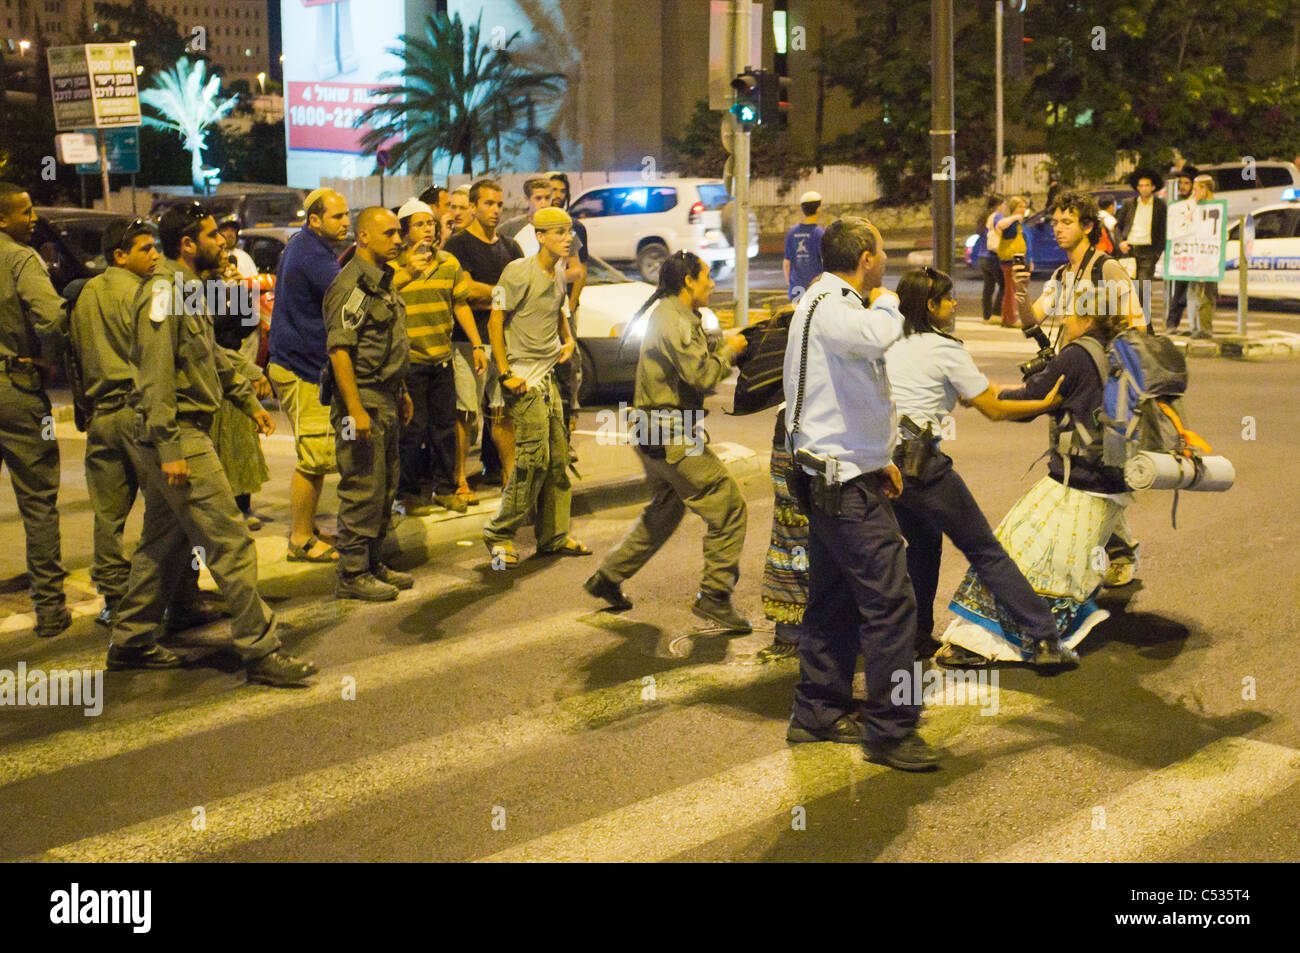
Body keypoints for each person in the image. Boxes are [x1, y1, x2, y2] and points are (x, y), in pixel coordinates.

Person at [105, 202, 316, 686]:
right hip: (178, 432)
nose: (223, 243)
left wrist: (249, 401)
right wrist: (171, 448)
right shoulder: (164, 293)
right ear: (187, 245)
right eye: (212, 236)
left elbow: (208, 357)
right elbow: (156, 376)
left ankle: (131, 640)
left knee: (162, 543)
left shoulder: (187, 291)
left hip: (182, 428)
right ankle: (261, 650)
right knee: (231, 541)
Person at [938, 190, 1142, 665]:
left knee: (1073, 490)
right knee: (1083, 472)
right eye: (1057, 222)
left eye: (1068, 221)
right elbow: (1035, 320)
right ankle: (1115, 546)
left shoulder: (1106, 272)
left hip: (1090, 393)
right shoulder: (1064, 276)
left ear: (1088, 226)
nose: (1059, 228)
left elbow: (1134, 327)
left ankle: (1108, 560)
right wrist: (1024, 294)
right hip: (1080, 402)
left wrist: (987, 398)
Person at [780, 216, 939, 772]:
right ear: (867, 257)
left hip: (840, 473)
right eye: (881, 251)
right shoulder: (838, 306)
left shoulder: (826, 303)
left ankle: (817, 711)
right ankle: (892, 729)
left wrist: (882, 460)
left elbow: (850, 394)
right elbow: (878, 338)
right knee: (892, 602)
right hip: (839, 482)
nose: (885, 263)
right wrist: (891, 303)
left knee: (835, 595)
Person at [884, 267, 1074, 668]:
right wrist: (1045, 404)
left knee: (921, 546)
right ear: (931, 305)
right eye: (948, 298)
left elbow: (976, 395)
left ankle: (916, 636)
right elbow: (991, 406)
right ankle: (1044, 639)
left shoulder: (887, 340)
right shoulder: (945, 349)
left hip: (887, 466)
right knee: (985, 550)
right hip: (924, 466)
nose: (954, 304)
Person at [583, 250, 750, 629]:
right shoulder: (672, 318)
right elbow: (703, 375)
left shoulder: (676, 315)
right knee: (730, 508)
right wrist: (732, 350)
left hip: (653, 431)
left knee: (664, 511)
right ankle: (715, 596)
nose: (711, 283)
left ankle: (607, 577)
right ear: (688, 280)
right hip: (668, 433)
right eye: (706, 276)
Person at [481, 206, 590, 565]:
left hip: (548, 377)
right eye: (558, 232)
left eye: (568, 231)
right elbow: (495, 321)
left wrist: (568, 339)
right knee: (532, 460)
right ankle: (499, 534)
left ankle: (554, 535)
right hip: (523, 378)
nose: (567, 238)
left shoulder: (559, 270)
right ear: (539, 236)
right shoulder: (517, 271)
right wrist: (504, 372)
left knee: (558, 459)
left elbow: (560, 308)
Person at [69, 219, 159, 626]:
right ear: (120, 255)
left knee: (108, 517)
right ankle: (158, 597)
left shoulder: (84, 294)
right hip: (136, 413)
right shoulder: (141, 293)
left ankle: (114, 599)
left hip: (100, 416)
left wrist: (82, 409)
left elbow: (71, 356)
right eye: (145, 249)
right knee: (166, 511)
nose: (154, 255)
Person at [324, 207, 415, 601]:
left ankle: (372, 561)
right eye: (390, 234)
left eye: (399, 233)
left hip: (386, 397)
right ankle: (352, 572)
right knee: (362, 485)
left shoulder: (381, 281)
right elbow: (340, 350)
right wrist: (356, 409)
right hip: (361, 401)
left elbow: (387, 343)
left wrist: (403, 390)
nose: (399, 240)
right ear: (363, 237)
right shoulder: (354, 286)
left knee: (384, 485)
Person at [0, 182, 71, 638]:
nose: (33, 219)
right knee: (39, 499)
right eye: (25, 212)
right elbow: (53, 317)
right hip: (16, 390)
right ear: (3, 219)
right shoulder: (20, 259)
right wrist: (51, 359)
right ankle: (49, 607)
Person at [266, 187, 350, 563]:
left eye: (347, 215)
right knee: (314, 459)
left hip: (295, 361)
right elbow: (348, 295)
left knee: (315, 454)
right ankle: (300, 538)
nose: (346, 222)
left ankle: (308, 528)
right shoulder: (312, 254)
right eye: (337, 216)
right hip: (301, 366)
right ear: (314, 219)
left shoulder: (304, 246)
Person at [392, 197, 486, 515]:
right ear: (404, 232)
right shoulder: (394, 268)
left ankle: (445, 489)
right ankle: (407, 494)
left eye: (430, 223)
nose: (428, 229)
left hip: (441, 358)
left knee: (445, 427)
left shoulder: (448, 263)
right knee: (411, 430)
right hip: (409, 363)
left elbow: (460, 304)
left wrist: (475, 344)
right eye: (419, 224)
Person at [444, 179, 522, 493]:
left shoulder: (510, 246)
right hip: (468, 341)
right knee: (466, 413)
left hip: (503, 341)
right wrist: (502, 293)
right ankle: (459, 477)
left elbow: (519, 288)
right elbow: (465, 291)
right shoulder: (458, 245)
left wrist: (488, 295)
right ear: (474, 207)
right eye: (488, 204)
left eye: (499, 204)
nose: (495, 211)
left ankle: (510, 476)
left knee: (503, 412)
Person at [212, 215, 272, 531]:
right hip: (217, 377)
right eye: (218, 248)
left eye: (226, 250)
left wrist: (238, 292)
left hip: (234, 369)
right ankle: (226, 511)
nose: (225, 255)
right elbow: (213, 339)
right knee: (221, 448)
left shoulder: (228, 284)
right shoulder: (197, 288)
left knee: (242, 445)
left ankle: (243, 507)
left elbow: (247, 326)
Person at [758, 405, 808, 660]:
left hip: (791, 435)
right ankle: (793, 632)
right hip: (819, 442)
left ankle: (790, 632)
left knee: (792, 539)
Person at [1116, 168, 1168, 316]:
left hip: (1148, 251)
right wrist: (1121, 242)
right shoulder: (1129, 204)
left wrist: (1157, 252)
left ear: (1153, 187)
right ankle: (1129, 319)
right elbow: (1118, 227)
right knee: (1127, 287)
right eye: (1141, 185)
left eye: (1147, 185)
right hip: (1129, 250)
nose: (1144, 188)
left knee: (1143, 286)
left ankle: (1144, 321)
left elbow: (1163, 229)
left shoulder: (1159, 205)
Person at [1184, 174, 1219, 340]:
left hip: (1207, 259)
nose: (1193, 193)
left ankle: (1204, 329)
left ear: (1205, 189)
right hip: (1194, 257)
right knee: (1193, 293)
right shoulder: (1195, 206)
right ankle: (1194, 327)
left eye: (1196, 189)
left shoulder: (1215, 209)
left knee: (1205, 294)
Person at [1165, 165, 1198, 333]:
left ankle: (1196, 326)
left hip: (1198, 254)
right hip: (1182, 255)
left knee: (1194, 293)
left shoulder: (1199, 205)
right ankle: (1171, 324)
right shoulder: (1176, 206)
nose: (1183, 186)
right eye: (1181, 183)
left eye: (1186, 183)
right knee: (1178, 292)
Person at [783, 190, 825, 301]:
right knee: (813, 317)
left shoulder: (792, 232)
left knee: (797, 316)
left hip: (796, 288)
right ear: (818, 209)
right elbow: (825, 261)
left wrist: (790, 283)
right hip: (815, 289)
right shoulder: (819, 233)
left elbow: (787, 263)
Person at [993, 195, 1028, 327]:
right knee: (1010, 290)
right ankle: (1010, 318)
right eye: (1020, 206)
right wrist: (1015, 217)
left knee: (1013, 289)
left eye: (1024, 207)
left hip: (1017, 257)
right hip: (1009, 258)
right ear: (1013, 207)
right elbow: (1000, 226)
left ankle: (1009, 316)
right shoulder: (1010, 220)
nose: (1023, 209)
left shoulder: (1019, 222)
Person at [980, 193, 1006, 321]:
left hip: (982, 255)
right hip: (993, 256)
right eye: (1003, 204)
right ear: (998, 205)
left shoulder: (984, 216)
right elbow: (1001, 229)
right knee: (1004, 285)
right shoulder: (997, 216)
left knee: (988, 287)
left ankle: (987, 315)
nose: (1004, 206)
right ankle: (996, 313)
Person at [216, 214, 257, 279]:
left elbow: (255, 284)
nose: (230, 234)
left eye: (233, 230)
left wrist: (242, 284)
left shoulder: (245, 257)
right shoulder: (213, 256)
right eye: (226, 229)